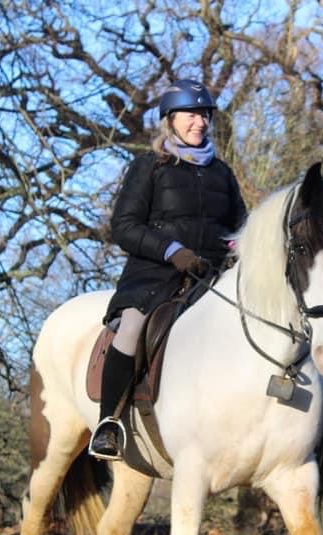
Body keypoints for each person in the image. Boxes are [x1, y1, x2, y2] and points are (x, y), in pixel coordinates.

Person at [89, 79, 247, 460]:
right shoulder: (150, 166)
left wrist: (239, 246)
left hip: (211, 274)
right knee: (133, 327)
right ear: (170, 120)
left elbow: (240, 227)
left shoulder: (222, 173)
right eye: (191, 115)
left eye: (204, 115)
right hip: (154, 274)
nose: (200, 122)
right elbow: (123, 226)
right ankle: (109, 423)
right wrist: (172, 250)